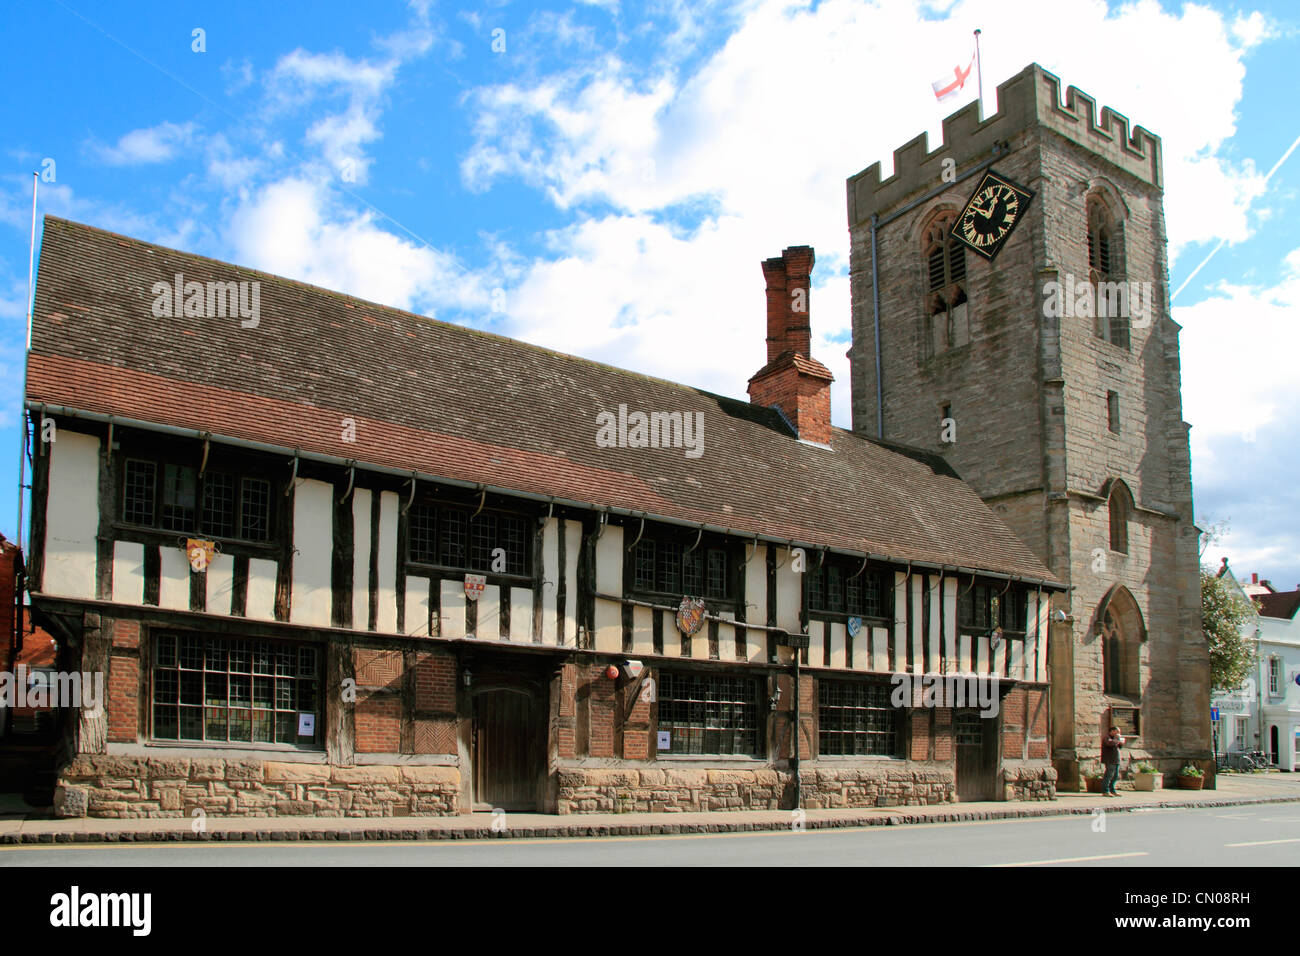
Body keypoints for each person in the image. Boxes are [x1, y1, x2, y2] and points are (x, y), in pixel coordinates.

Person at [1100, 726, 1125, 796]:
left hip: (1116, 759)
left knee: (1115, 776)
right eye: (1117, 732)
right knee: (1108, 775)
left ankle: (1112, 790)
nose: (1118, 734)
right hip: (1110, 759)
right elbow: (1109, 744)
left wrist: (1121, 743)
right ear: (1112, 731)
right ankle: (1105, 791)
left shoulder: (1115, 739)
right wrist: (1117, 739)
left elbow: (1118, 747)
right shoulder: (1107, 737)